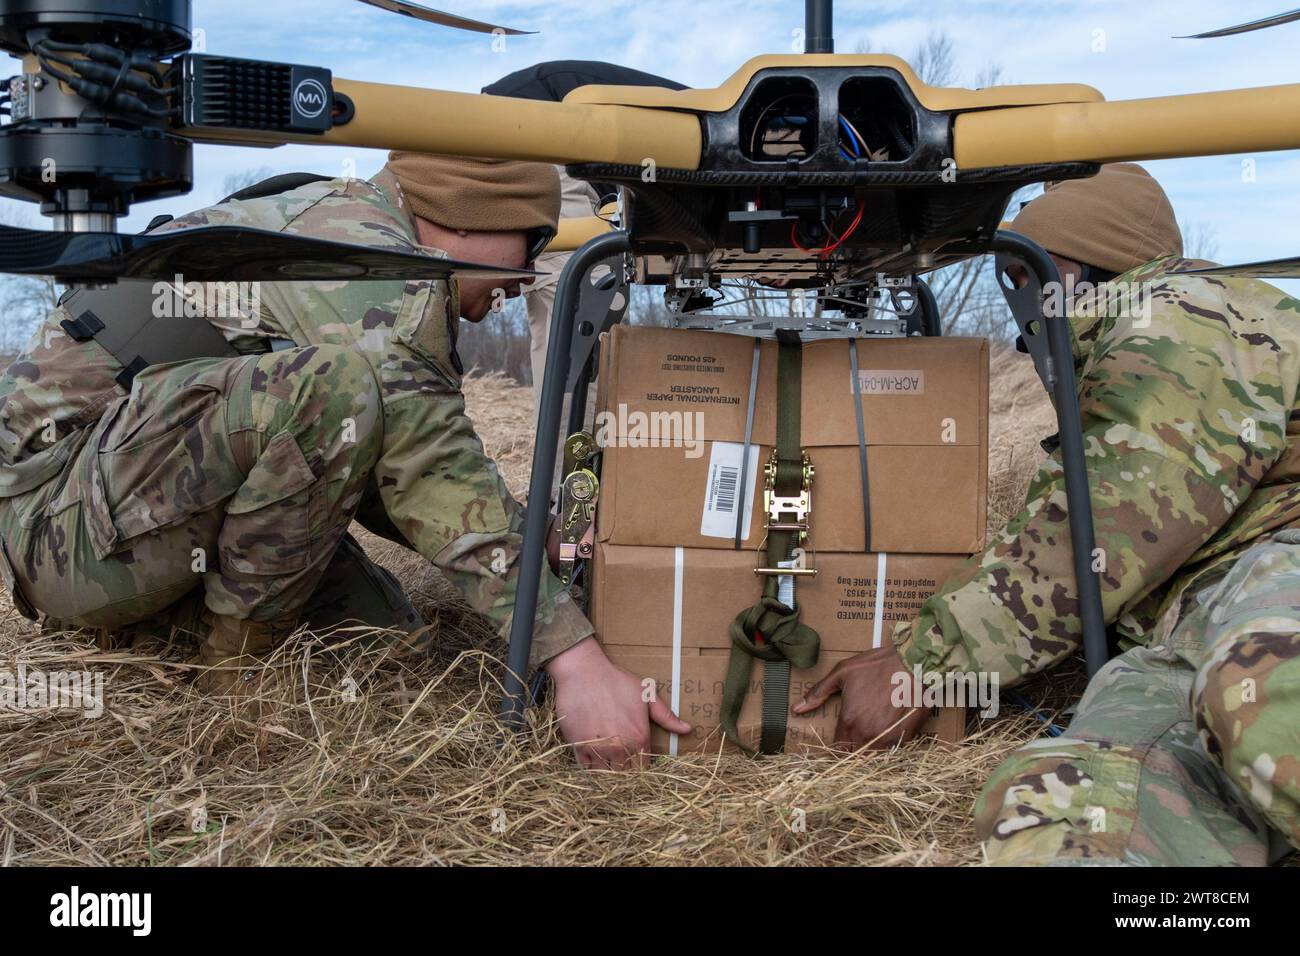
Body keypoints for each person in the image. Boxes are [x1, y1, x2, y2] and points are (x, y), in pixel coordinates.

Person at [0, 152, 689, 769]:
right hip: (58, 530)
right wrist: (573, 657)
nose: (524, 276)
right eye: (530, 243)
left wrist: (538, 545)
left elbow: (394, 466)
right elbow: (430, 472)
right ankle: (235, 683)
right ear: (473, 216)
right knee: (330, 390)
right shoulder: (372, 264)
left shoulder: (366, 239)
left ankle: (156, 623)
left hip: (126, 514)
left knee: (381, 644)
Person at [792, 163, 1300, 865]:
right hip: (1182, 633)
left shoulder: (1188, 312)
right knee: (1058, 812)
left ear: (1072, 272)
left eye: (1027, 280)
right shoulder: (1108, 350)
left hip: (1276, 571)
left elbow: (1121, 513)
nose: (1019, 309)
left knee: (1259, 693)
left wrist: (925, 659)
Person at [483, 61, 686, 409]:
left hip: (536, 130)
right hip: (536, 125)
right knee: (585, 303)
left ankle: (589, 449)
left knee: (581, 311)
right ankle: (575, 458)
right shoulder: (733, 134)